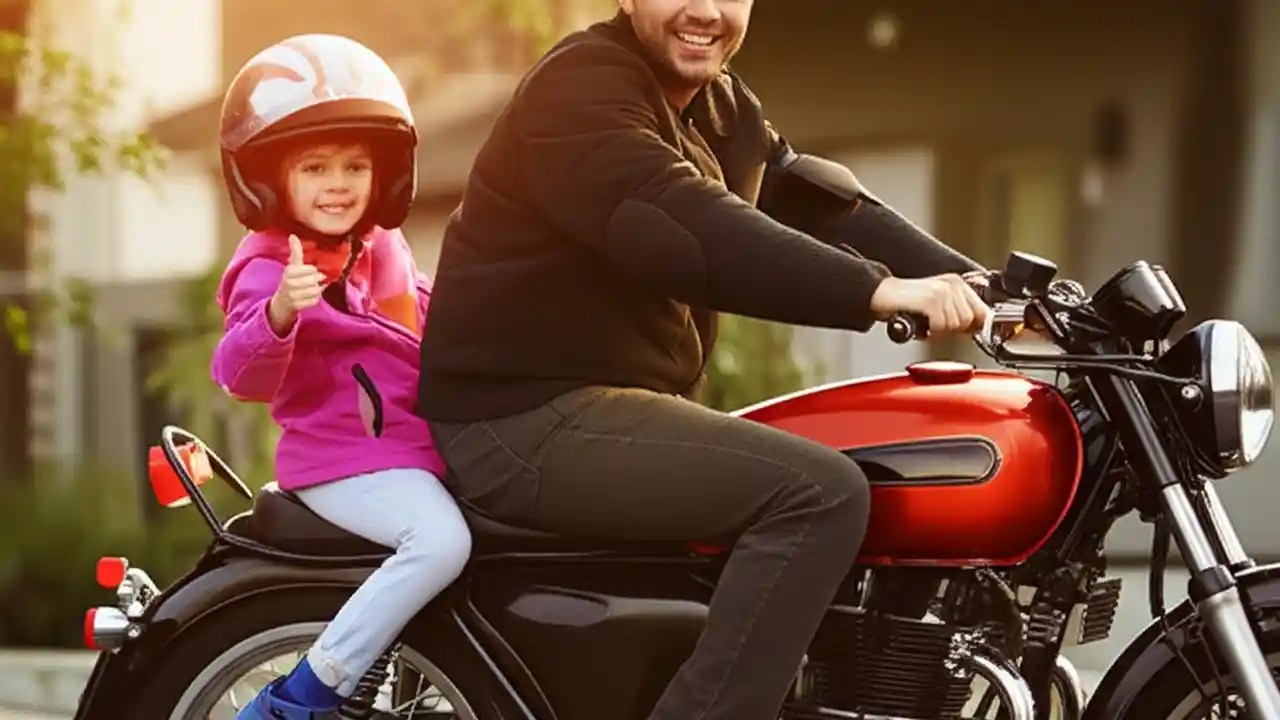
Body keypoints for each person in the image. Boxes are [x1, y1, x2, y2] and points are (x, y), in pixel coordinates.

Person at [417, 1, 987, 719]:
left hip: (608, 411)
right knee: (820, 492)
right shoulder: (582, 88)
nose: (705, 10)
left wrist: (981, 284)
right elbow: (687, 222)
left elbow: (811, 198)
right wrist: (878, 291)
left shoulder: (718, 101)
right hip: (519, 418)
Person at [211, 34, 472, 719]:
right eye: (316, 167)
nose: (338, 184)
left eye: (355, 166)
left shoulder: (381, 249)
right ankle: (306, 692)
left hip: (412, 451)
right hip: (340, 462)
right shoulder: (271, 271)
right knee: (440, 542)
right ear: (270, 180)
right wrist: (279, 313)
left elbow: (431, 320)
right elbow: (238, 373)